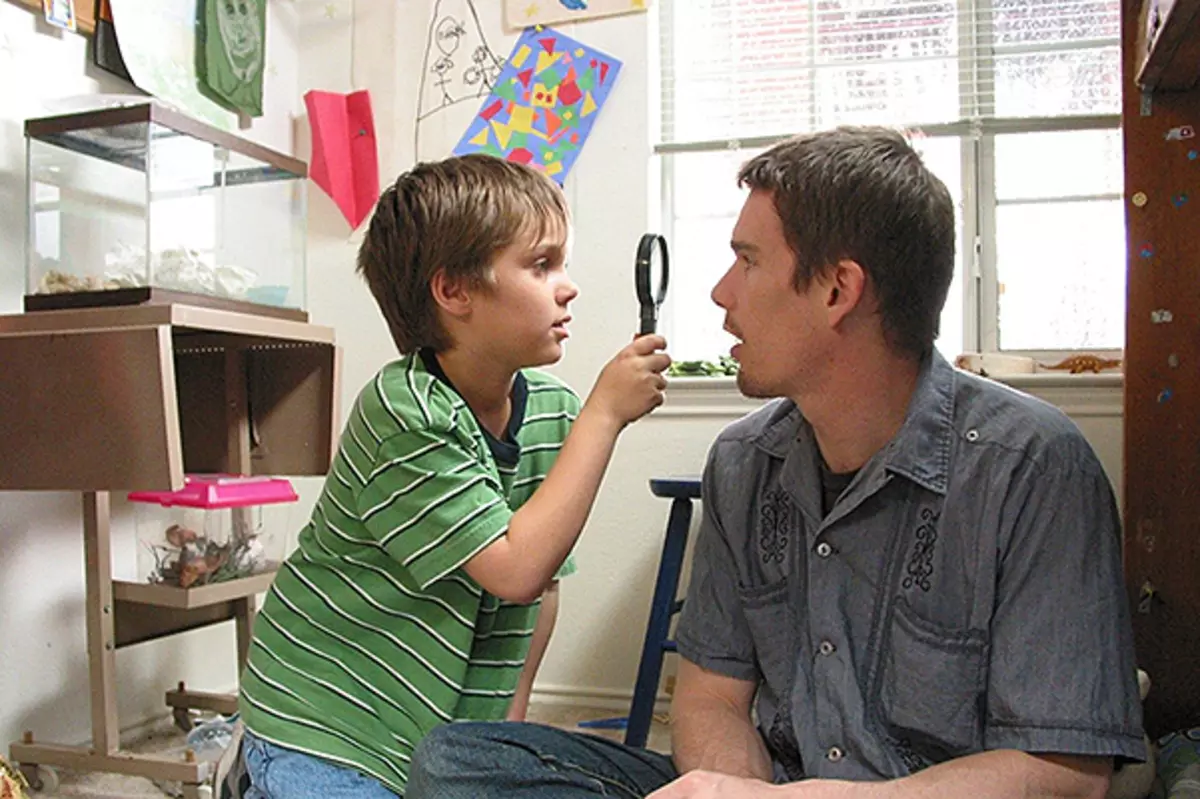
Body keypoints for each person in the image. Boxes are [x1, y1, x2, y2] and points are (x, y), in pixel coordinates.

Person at [404, 126, 1145, 798]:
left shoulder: (1033, 467)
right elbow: (711, 697)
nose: (722, 294)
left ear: (836, 289)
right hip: (778, 782)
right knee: (459, 760)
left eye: (747, 261)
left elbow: (1064, 775)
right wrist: (731, 789)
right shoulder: (745, 461)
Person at [234, 154, 672, 798]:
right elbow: (514, 570)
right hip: (323, 725)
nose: (567, 286)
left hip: (434, 727)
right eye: (542, 264)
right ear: (455, 291)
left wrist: (506, 732)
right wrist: (605, 415)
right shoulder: (405, 411)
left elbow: (542, 585)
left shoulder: (552, 412)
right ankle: (251, 773)